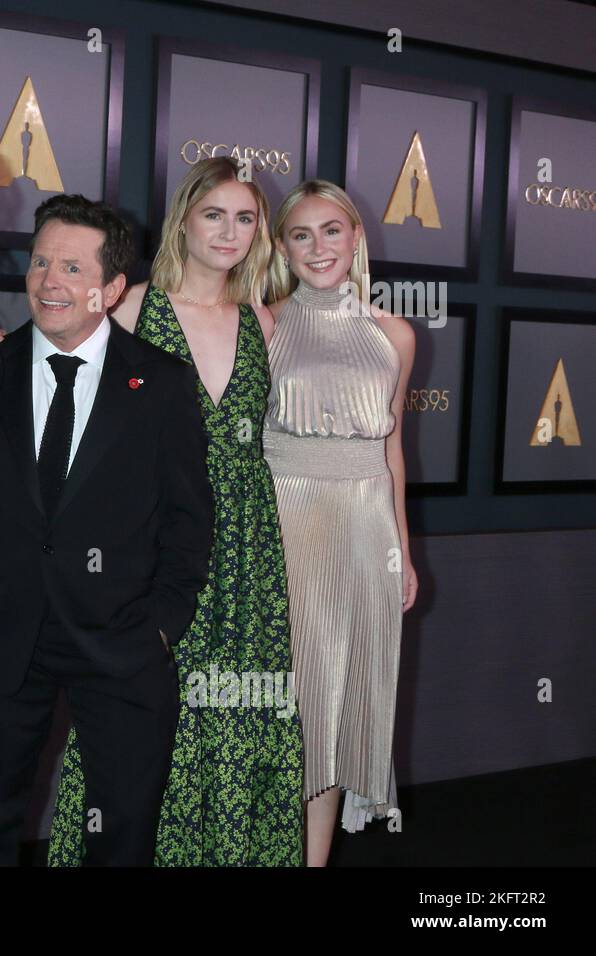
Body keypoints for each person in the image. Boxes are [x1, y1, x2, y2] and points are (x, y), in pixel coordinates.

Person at [47, 157, 304, 865]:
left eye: (246, 217)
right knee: (142, 720)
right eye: (214, 214)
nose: (230, 231)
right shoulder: (131, 308)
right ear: (183, 219)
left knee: (242, 714)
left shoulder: (261, 319)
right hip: (151, 551)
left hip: (249, 552)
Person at [0, 194, 213, 866]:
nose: (49, 281)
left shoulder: (161, 383)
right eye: (42, 261)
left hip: (122, 640)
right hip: (5, 635)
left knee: (122, 832)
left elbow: (189, 519)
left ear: (110, 289)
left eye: (73, 269)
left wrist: (163, 622)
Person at [262, 179, 418, 866]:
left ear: (356, 237)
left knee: (335, 709)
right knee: (294, 703)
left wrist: (403, 554)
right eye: (301, 234)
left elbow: (393, 451)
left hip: (365, 530)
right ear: (283, 247)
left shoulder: (395, 334)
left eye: (332, 231)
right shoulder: (260, 322)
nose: (318, 247)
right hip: (286, 520)